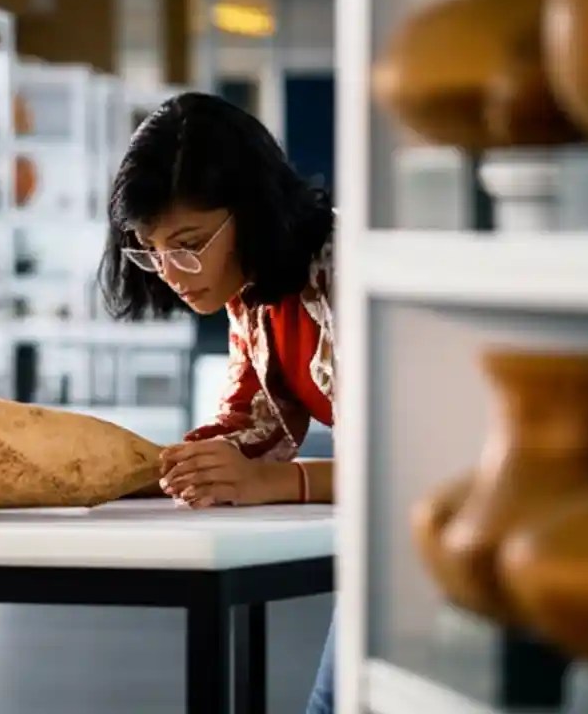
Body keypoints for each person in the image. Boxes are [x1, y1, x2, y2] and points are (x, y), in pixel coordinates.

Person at [97, 92, 337, 714]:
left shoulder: (343, 274)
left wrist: (269, 483)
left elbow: (412, 466)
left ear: (251, 212)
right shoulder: (252, 291)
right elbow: (253, 423)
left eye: (189, 243)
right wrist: (143, 469)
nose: (170, 272)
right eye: (150, 250)